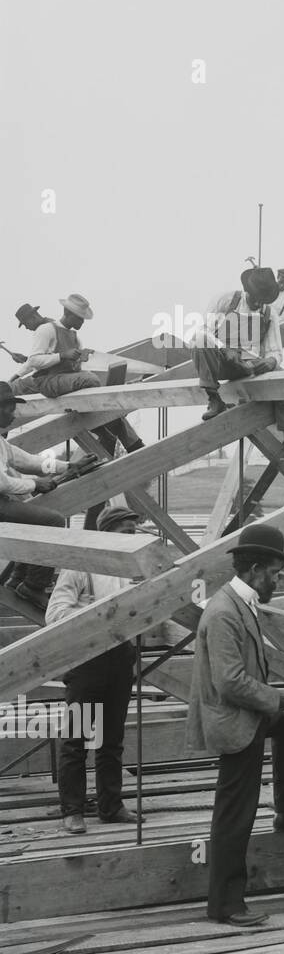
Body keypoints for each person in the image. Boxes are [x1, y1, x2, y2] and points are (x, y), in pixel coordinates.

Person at [187, 523, 284, 927]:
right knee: (234, 815)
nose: (277, 581)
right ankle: (226, 904)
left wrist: (280, 704)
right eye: (275, 574)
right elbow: (230, 681)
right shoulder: (225, 613)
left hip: (248, 715)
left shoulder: (241, 603)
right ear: (255, 569)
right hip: (235, 723)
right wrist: (277, 697)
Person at [47, 507, 147, 833]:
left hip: (119, 658)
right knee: (77, 739)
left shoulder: (133, 570)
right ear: (107, 532)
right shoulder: (80, 568)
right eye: (127, 532)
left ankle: (111, 805)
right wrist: (98, 612)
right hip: (87, 661)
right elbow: (56, 613)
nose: (134, 538)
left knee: (111, 740)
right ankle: (72, 810)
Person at [192, 267, 284, 463]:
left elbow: (275, 349)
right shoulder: (225, 301)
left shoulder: (268, 313)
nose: (258, 303)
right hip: (223, 363)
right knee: (199, 343)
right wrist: (224, 348)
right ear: (247, 290)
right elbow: (203, 332)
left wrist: (271, 361)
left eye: (262, 300)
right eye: (255, 298)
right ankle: (215, 400)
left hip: (250, 363)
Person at [10, 297, 143, 457]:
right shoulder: (46, 330)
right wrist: (62, 355)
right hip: (49, 381)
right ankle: (122, 438)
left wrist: (82, 359)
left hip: (65, 379)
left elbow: (72, 364)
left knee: (103, 404)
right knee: (91, 380)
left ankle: (121, 440)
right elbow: (34, 361)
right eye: (80, 317)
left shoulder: (73, 337)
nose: (82, 321)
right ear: (67, 313)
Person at [0, 379, 90, 606]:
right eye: (9, 408)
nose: (13, 414)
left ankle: (18, 579)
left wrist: (66, 467)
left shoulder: (2, 443)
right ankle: (32, 586)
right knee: (53, 522)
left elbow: (28, 461)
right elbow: (3, 484)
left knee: (30, 520)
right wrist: (35, 485)